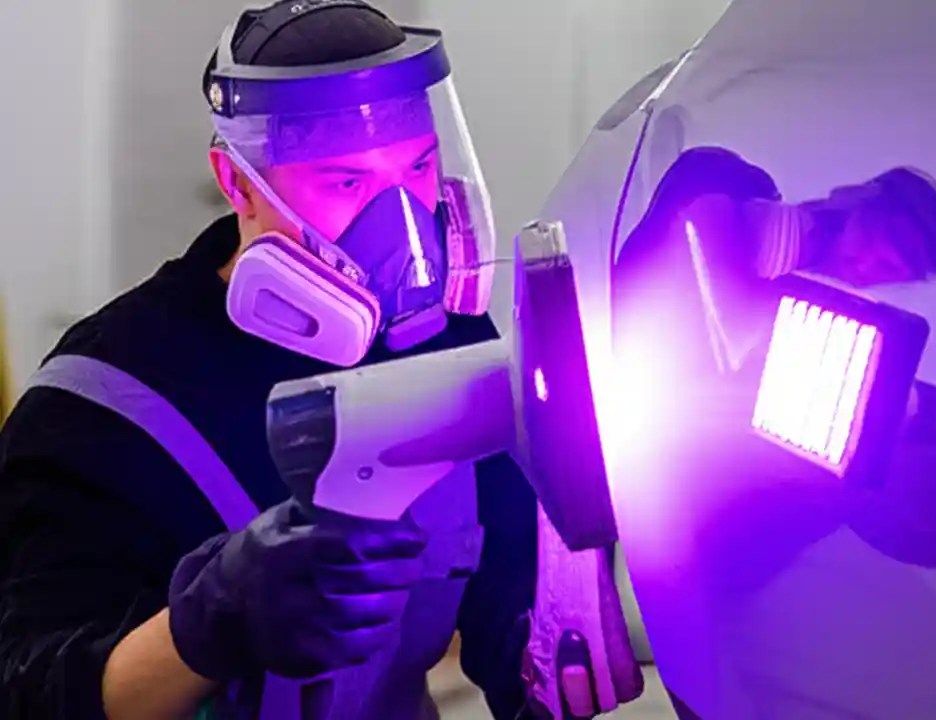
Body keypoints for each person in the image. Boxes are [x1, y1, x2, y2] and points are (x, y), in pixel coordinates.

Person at [0, 2, 538, 718]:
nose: (402, 223)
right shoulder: (97, 400)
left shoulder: (448, 340)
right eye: (346, 183)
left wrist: (546, 640)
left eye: (417, 168)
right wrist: (204, 623)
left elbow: (512, 611)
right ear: (237, 182)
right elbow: (29, 692)